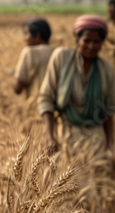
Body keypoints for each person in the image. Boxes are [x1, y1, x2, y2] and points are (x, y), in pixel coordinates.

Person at [38, 15, 115, 171]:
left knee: (95, 189)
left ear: (102, 43)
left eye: (97, 42)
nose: (91, 46)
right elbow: (46, 99)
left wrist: (111, 146)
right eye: (86, 41)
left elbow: (108, 111)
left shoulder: (106, 69)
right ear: (77, 40)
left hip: (95, 139)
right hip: (66, 136)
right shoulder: (61, 58)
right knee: (69, 186)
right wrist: (49, 136)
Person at [13, 18, 54, 97]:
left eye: (27, 33)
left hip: (36, 104)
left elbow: (17, 89)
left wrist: (13, 77)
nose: (25, 38)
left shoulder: (29, 52)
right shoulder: (56, 51)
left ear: (37, 35)